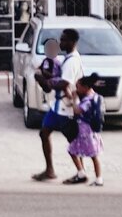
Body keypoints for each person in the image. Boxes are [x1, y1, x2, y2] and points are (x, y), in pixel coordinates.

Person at [32, 28, 84, 182]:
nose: (60, 42)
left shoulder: (72, 61)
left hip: (66, 107)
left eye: (64, 40)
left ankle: (81, 172)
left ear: (72, 42)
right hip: (57, 106)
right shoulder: (67, 58)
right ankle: (50, 170)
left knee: (72, 141)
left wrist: (43, 81)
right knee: (44, 133)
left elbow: (63, 83)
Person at [64, 73, 104, 187]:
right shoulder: (95, 96)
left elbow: (77, 110)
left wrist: (75, 98)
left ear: (85, 87)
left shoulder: (88, 100)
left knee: (93, 155)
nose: (76, 89)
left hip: (86, 131)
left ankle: (98, 179)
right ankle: (82, 173)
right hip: (87, 131)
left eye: (78, 87)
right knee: (73, 150)